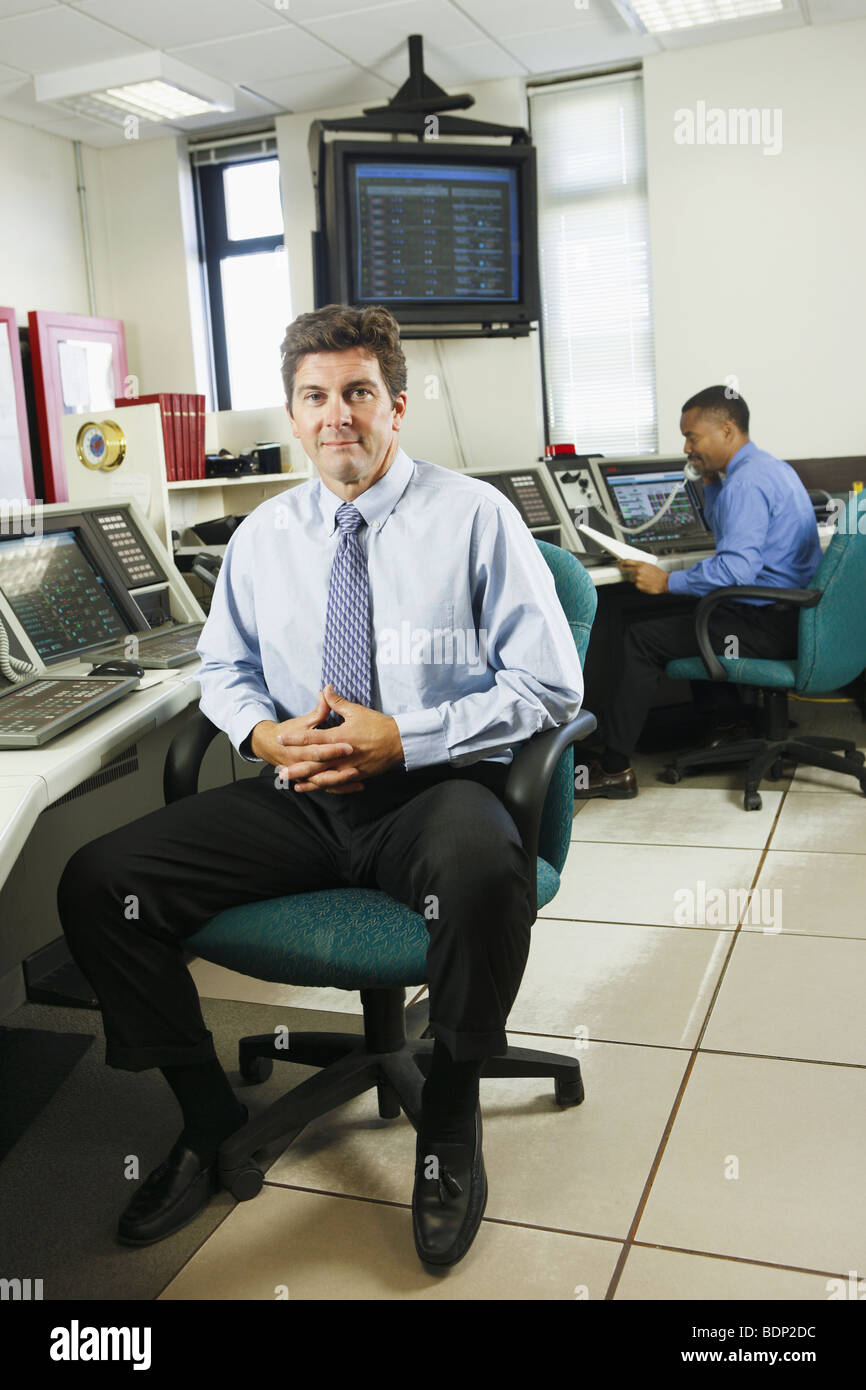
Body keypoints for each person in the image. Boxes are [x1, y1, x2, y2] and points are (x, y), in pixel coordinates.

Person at [56, 303, 584, 1269]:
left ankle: (451, 1121)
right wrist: (260, 729)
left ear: (397, 405)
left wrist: (407, 737)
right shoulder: (262, 536)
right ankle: (211, 1118)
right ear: (293, 416)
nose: (337, 414)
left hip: (432, 787)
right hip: (300, 796)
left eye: (358, 393)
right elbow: (223, 668)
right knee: (99, 883)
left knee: (480, 873)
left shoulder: (476, 518)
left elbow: (550, 684)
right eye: (315, 396)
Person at [576, 385, 822, 799]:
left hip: (766, 622)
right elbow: (730, 536)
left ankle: (614, 768)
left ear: (727, 430)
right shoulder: (768, 469)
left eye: (693, 437)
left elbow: (736, 569)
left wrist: (667, 580)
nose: (687, 447)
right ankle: (729, 726)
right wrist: (709, 481)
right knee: (699, 611)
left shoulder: (745, 485)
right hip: (794, 616)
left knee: (641, 637)